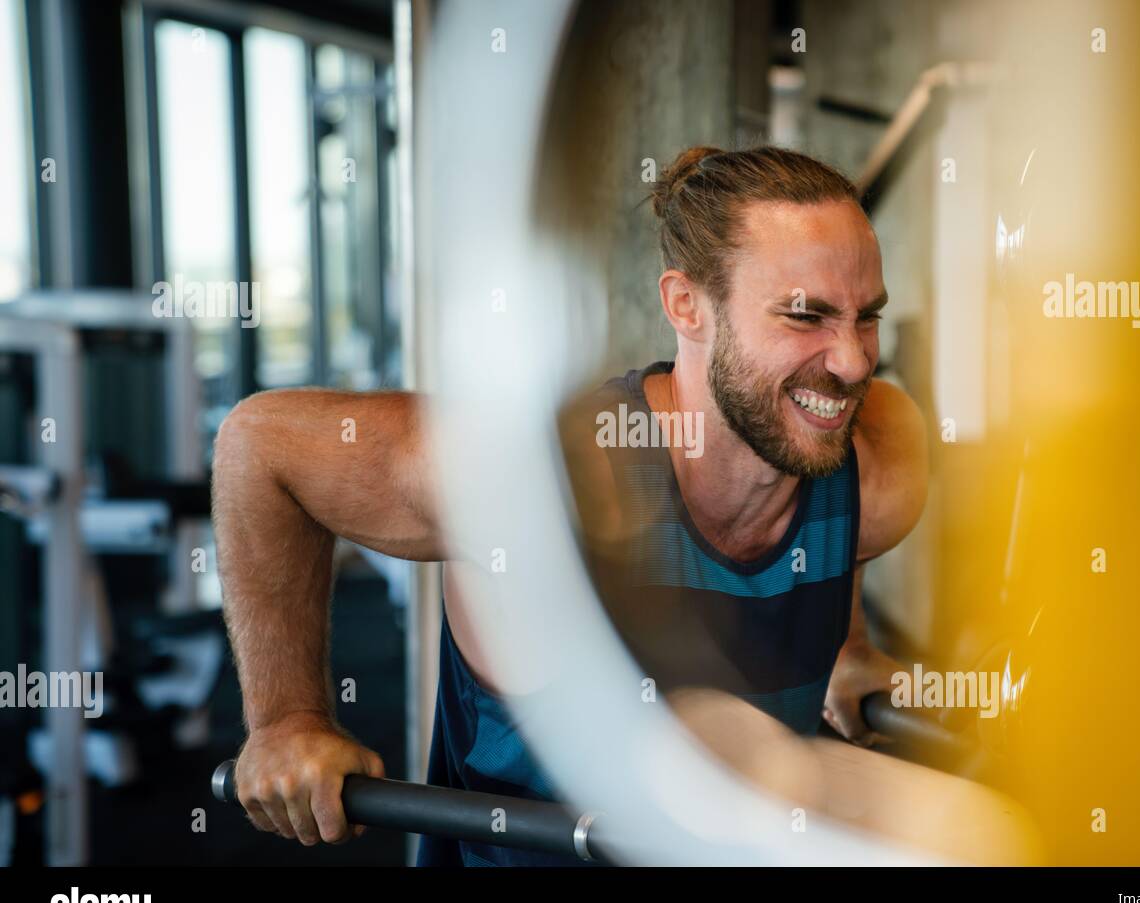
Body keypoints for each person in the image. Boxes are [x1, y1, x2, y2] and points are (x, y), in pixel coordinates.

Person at [212, 145, 928, 865]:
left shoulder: (875, 463)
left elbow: (846, 508)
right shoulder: (546, 478)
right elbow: (260, 447)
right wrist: (287, 717)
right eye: (805, 316)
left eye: (866, 317)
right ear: (687, 306)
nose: (853, 360)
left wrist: (849, 647)